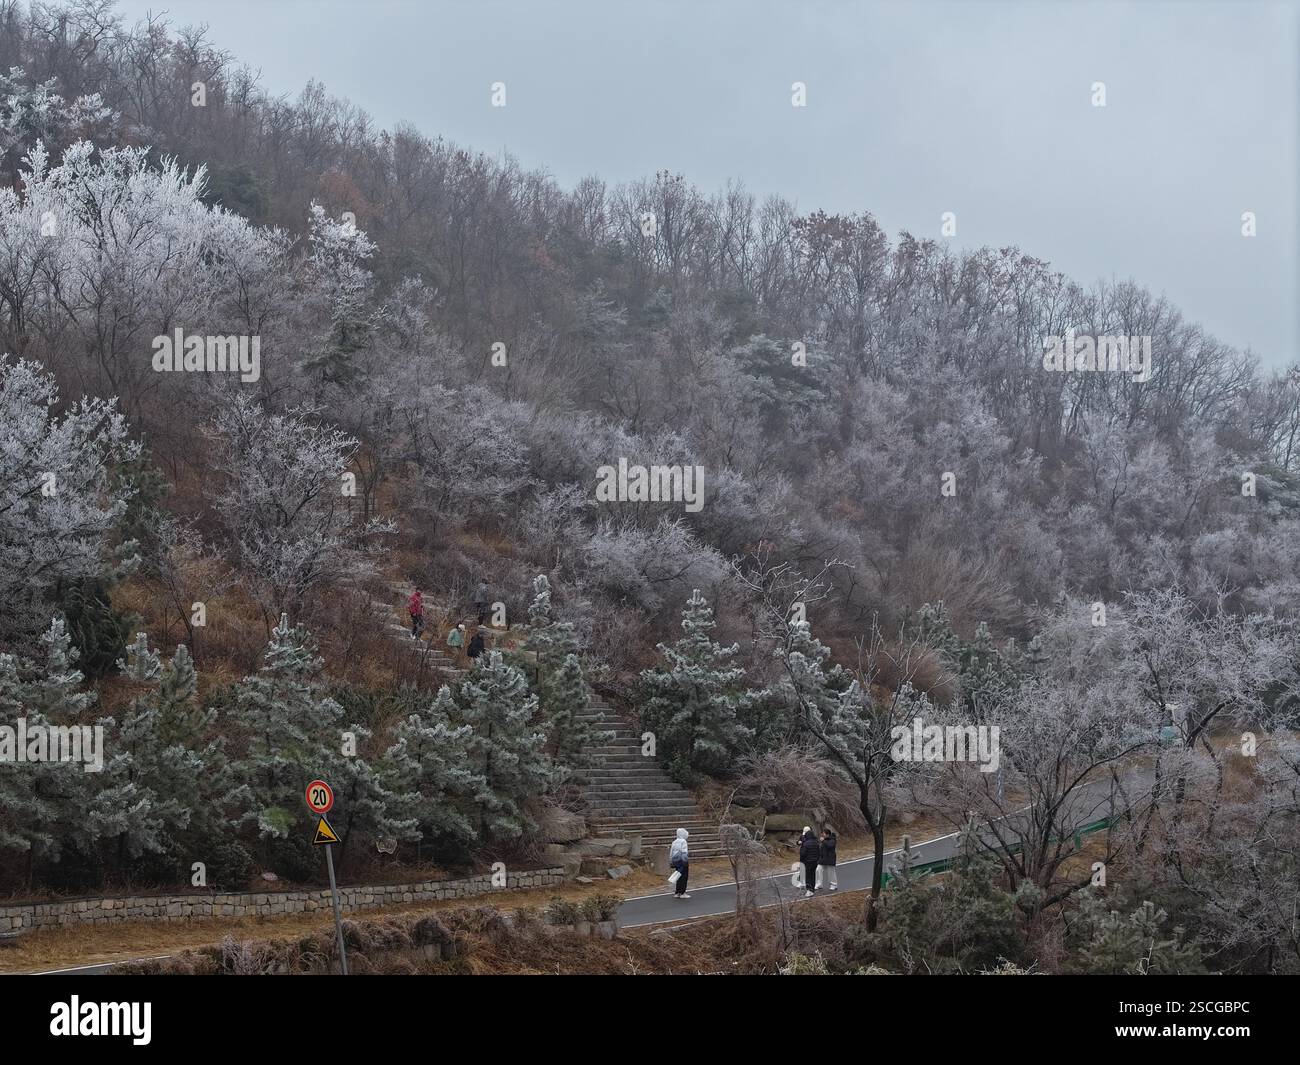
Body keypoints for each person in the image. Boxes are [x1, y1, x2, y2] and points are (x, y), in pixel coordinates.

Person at [798, 826, 820, 898]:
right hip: (815, 861)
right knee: (813, 875)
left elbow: (802, 853)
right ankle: (812, 889)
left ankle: (809, 890)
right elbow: (819, 852)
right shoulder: (816, 842)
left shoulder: (806, 843)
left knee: (808, 875)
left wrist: (802, 859)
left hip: (808, 861)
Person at [669, 827, 691, 899]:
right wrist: (686, 862)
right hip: (682, 861)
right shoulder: (683, 841)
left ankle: (677, 892)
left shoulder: (674, 842)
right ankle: (682, 893)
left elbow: (671, 852)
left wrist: (671, 861)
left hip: (676, 861)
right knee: (684, 877)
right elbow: (684, 852)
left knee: (678, 876)